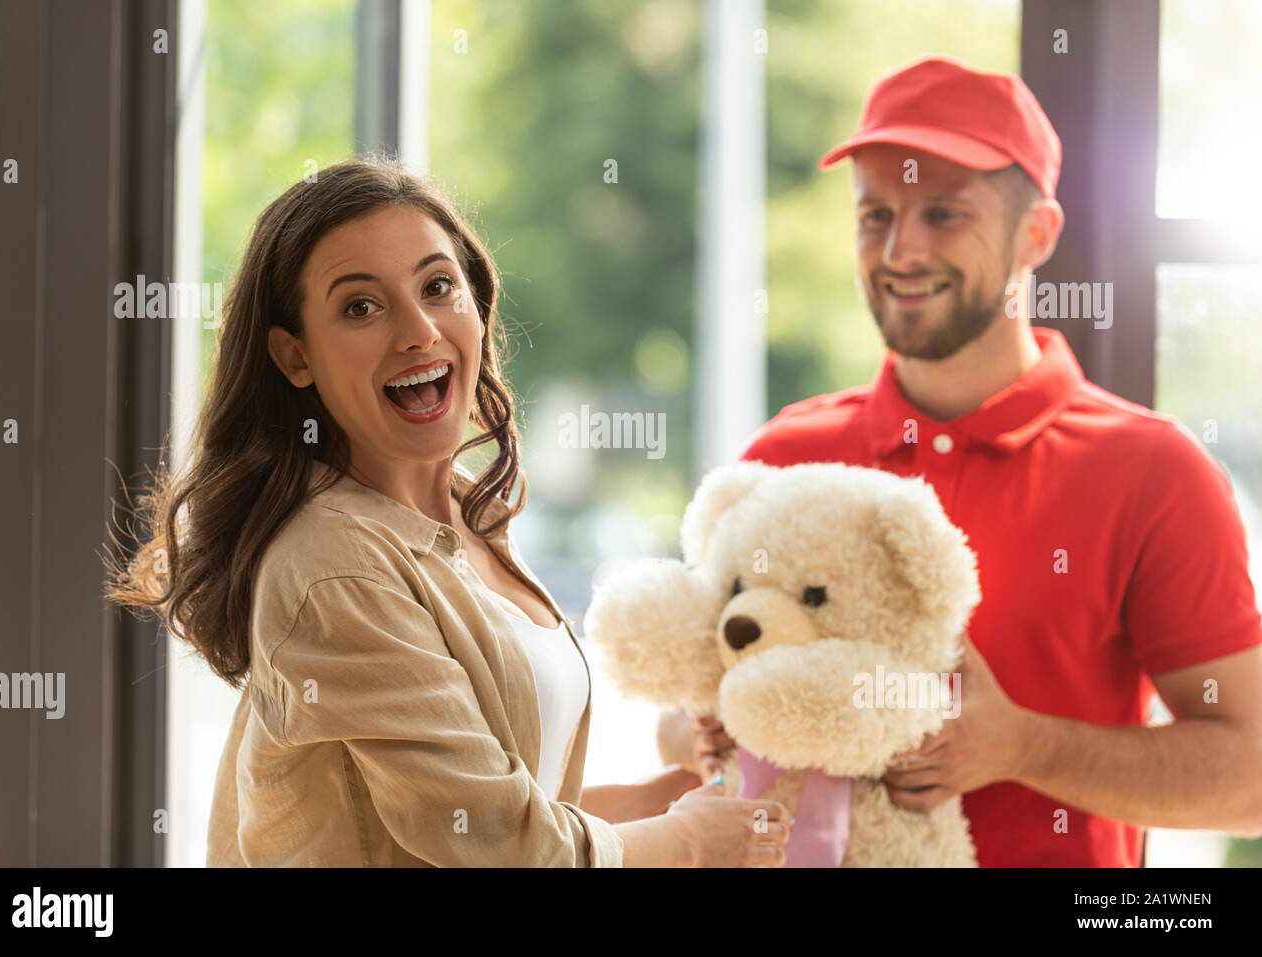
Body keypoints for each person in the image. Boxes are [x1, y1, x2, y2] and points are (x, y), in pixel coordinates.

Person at [662, 56, 1262, 867]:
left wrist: (1023, 745)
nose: (899, 250)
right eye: (875, 215)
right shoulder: (786, 458)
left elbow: (1249, 778)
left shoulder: (1154, 472)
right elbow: (682, 721)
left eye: (943, 214)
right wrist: (702, 727)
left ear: (1036, 234)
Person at [105, 157, 790, 867]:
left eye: (437, 287)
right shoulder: (332, 563)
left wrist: (660, 801)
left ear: (476, 303)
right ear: (294, 356)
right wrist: (686, 842)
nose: (419, 331)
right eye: (361, 307)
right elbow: (497, 843)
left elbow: (480, 800)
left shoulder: (464, 505)